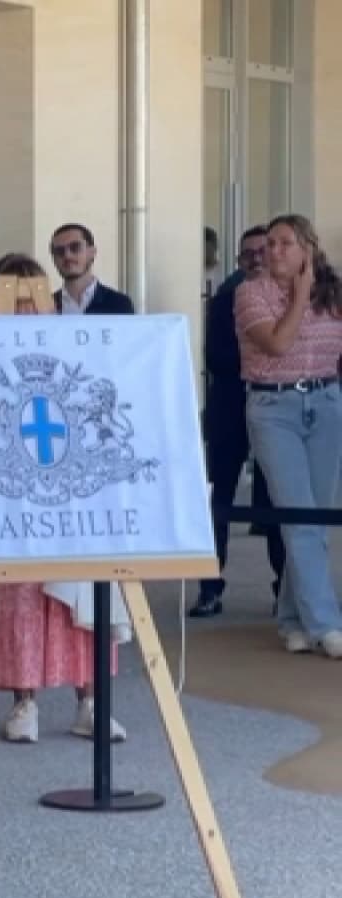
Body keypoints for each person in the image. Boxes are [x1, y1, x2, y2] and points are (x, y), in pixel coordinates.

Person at [0, 254, 129, 744]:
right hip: (8, 498)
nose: (27, 305)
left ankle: (91, 701)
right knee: (20, 600)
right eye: (15, 294)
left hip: (68, 494)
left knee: (82, 596)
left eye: (35, 293)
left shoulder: (71, 343)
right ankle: (22, 701)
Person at [233, 213, 342, 658]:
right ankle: (326, 623)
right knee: (299, 515)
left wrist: (312, 288)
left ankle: (292, 618)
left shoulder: (332, 293)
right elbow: (277, 343)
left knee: (320, 517)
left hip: (325, 401)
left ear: (307, 250)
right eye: (271, 244)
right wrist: (299, 293)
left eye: (285, 243)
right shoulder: (249, 292)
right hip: (274, 408)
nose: (273, 251)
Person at [194, 225, 283, 617]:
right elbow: (215, 356)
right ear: (238, 260)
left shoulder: (291, 298)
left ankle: (285, 588)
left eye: (262, 250)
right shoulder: (227, 298)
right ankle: (210, 587)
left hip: (277, 410)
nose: (256, 258)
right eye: (247, 253)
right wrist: (263, 355)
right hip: (231, 407)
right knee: (220, 499)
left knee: (280, 501)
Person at [48, 223, 136, 315]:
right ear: (53, 258)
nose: (67, 255)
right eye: (59, 251)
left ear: (92, 252)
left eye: (75, 247)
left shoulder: (119, 303)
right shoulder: (45, 307)